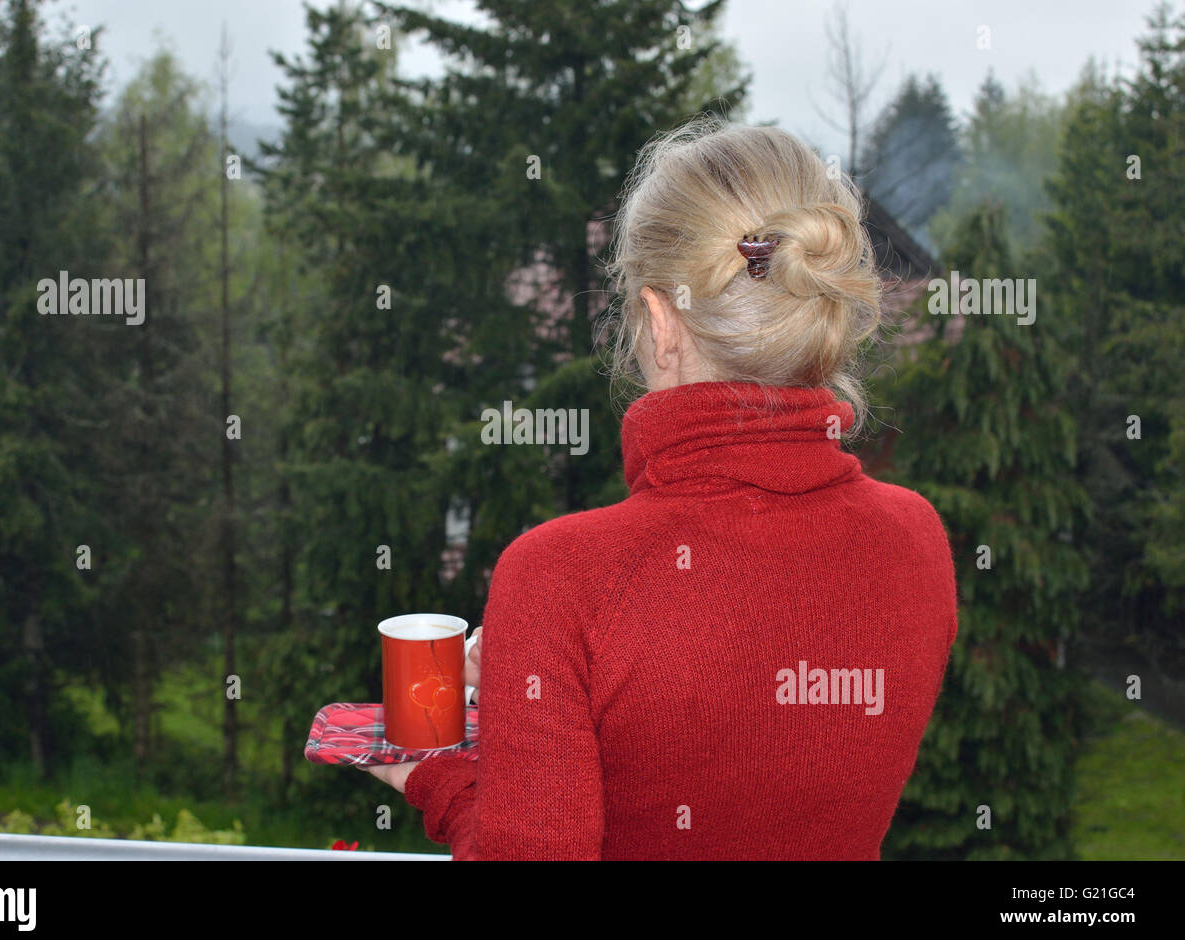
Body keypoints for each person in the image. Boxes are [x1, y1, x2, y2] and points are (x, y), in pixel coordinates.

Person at [364, 117, 958, 860]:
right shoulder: (917, 539)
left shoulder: (558, 577)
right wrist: (541, 682)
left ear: (659, 321)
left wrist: (443, 778)